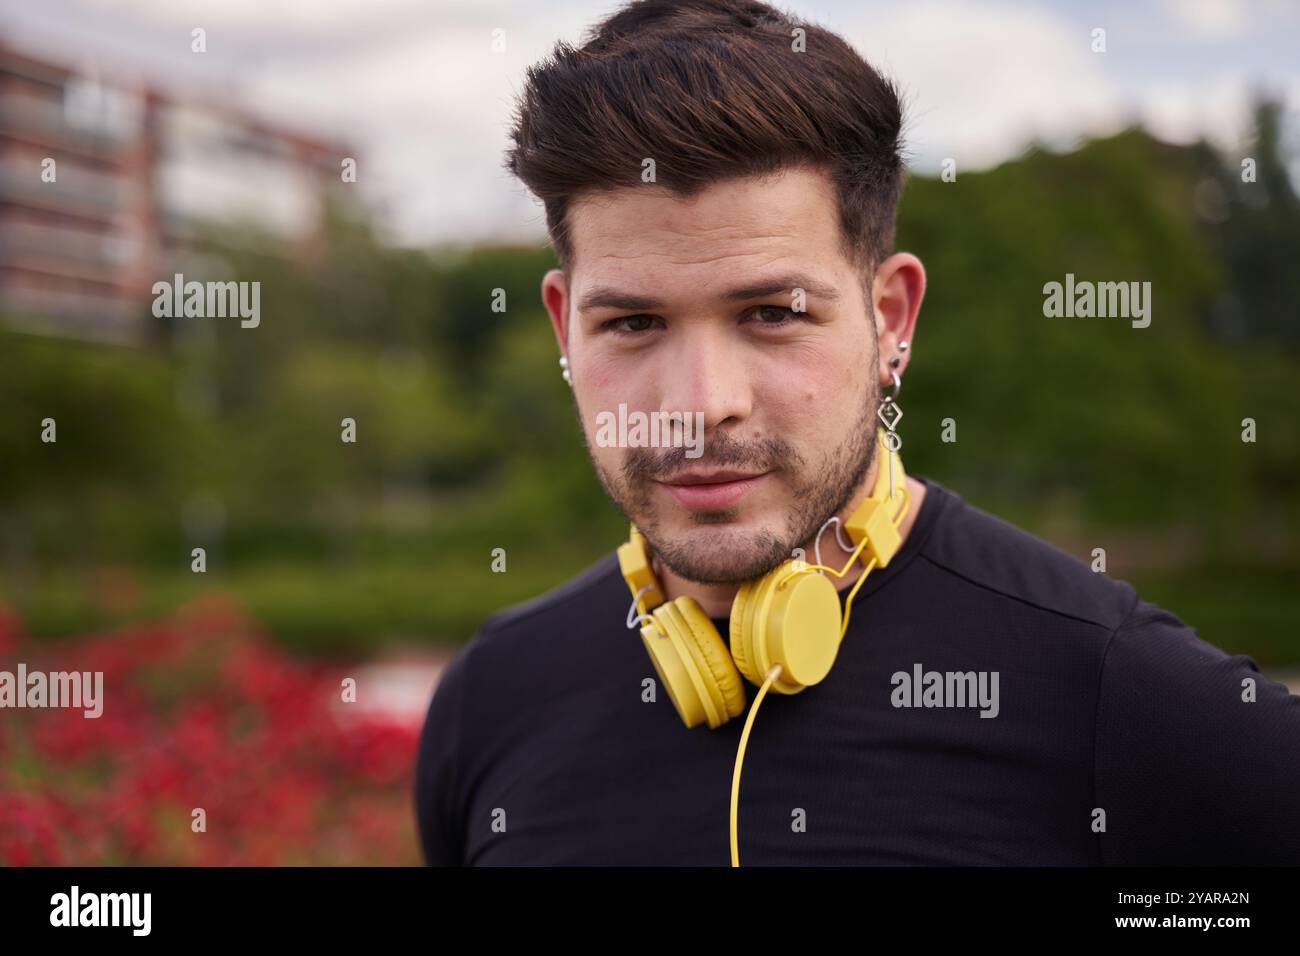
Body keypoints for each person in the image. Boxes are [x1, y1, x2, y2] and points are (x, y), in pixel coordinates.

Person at [415, 0, 1300, 865]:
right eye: (634, 324)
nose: (701, 402)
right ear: (563, 329)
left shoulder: (1132, 695)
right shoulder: (489, 700)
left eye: (771, 313)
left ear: (891, 320)